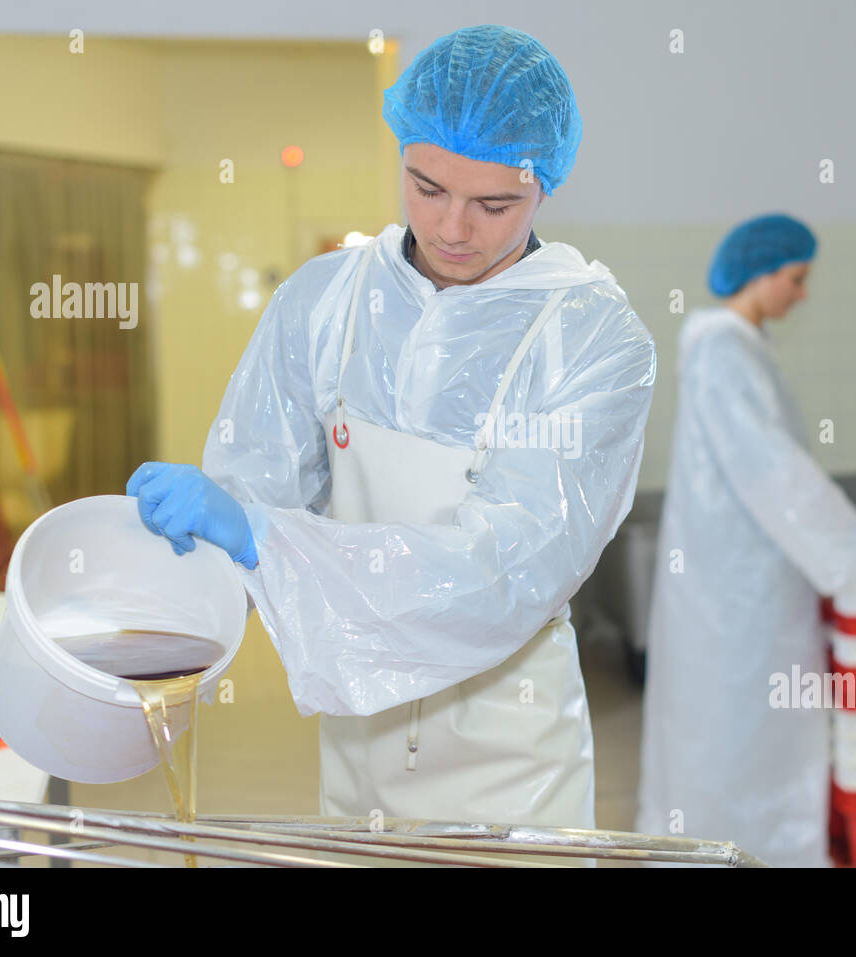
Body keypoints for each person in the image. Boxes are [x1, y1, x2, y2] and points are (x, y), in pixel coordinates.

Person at [126, 25, 656, 841]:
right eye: (426, 185)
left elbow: (503, 572)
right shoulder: (325, 301)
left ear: (544, 184)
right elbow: (250, 482)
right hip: (360, 737)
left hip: (513, 763)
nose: (452, 228)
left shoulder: (589, 338)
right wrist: (194, 549)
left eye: (494, 204)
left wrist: (267, 535)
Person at [634, 214, 856, 867]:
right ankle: (735, 851)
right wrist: (852, 542)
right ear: (760, 273)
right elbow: (769, 467)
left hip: (746, 581)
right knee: (735, 732)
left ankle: (749, 846)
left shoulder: (740, 346)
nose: (802, 294)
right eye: (796, 278)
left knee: (748, 728)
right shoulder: (724, 350)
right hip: (733, 592)